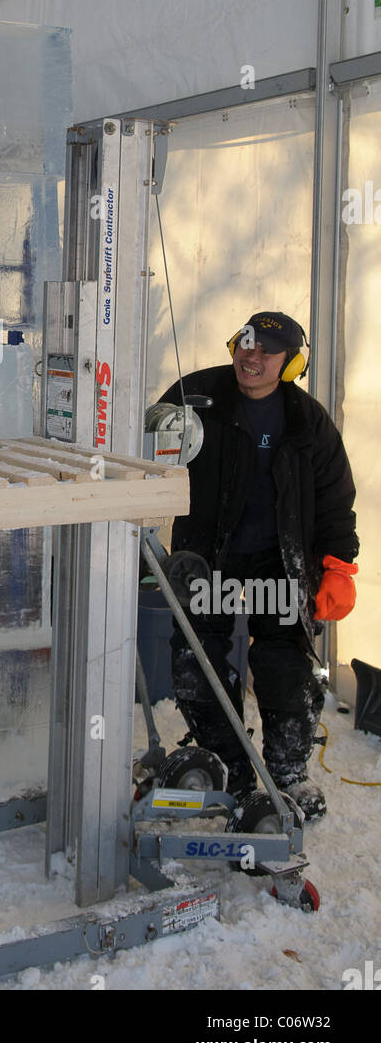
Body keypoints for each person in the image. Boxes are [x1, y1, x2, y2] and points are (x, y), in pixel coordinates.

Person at [158, 311, 358, 819]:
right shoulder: (195, 394)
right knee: (195, 659)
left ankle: (289, 777)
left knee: (284, 663)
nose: (252, 356)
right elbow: (147, 455)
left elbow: (335, 499)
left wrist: (338, 567)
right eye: (246, 343)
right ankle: (232, 768)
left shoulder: (307, 421)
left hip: (278, 562)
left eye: (267, 351)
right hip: (209, 560)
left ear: (290, 364)